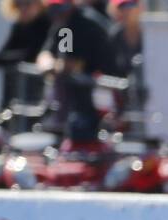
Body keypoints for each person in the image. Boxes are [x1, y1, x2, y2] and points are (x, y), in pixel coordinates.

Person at [35, 0, 117, 138]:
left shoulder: (86, 23)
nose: (56, 12)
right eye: (53, 8)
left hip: (102, 92)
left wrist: (55, 66)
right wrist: (51, 64)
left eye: (60, 7)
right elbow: (45, 55)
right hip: (75, 99)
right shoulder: (61, 25)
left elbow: (73, 65)